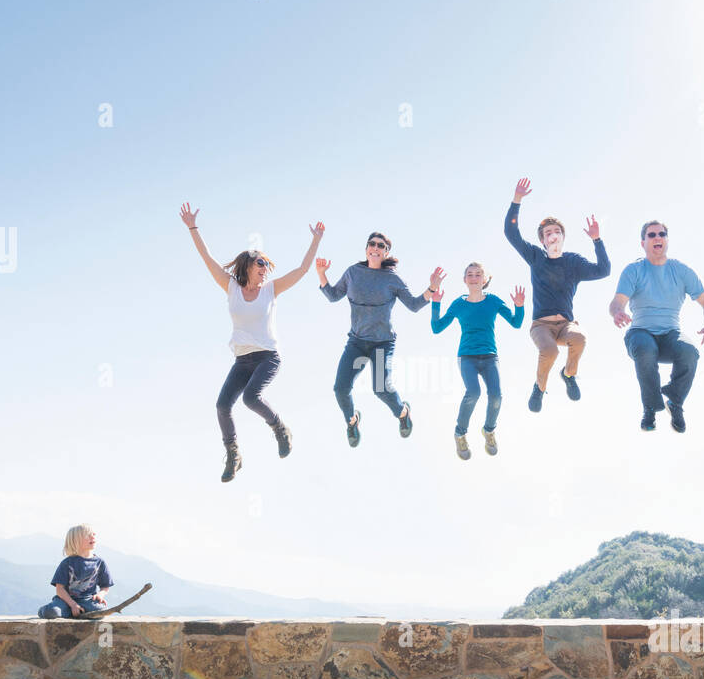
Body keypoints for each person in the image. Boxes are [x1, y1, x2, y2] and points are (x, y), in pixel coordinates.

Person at [180, 203, 324, 481]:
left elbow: (303, 269)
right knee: (222, 405)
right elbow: (207, 258)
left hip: (267, 357)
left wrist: (315, 240)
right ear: (247, 266)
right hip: (242, 360)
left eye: (266, 266)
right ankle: (234, 455)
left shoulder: (271, 290)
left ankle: (280, 429)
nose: (265, 269)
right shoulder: (231, 287)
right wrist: (192, 228)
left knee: (251, 397)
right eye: (260, 264)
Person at [317, 234, 443, 445]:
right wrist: (321, 274)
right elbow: (332, 296)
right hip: (356, 342)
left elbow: (413, 305)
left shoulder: (392, 279)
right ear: (366, 249)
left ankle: (403, 413)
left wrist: (431, 288)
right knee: (340, 389)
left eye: (380, 246)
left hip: (382, 343)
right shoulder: (353, 273)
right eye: (371, 244)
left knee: (381, 388)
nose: (375, 248)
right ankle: (352, 421)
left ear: (386, 253)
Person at [504, 178, 610, 411]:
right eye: (547, 233)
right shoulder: (536, 257)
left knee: (580, 338)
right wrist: (517, 200)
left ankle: (569, 375)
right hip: (541, 326)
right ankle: (539, 388)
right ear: (542, 240)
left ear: (562, 236)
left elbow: (604, 270)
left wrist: (597, 240)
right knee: (549, 351)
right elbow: (510, 232)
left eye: (556, 231)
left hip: (565, 325)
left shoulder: (573, 262)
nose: (552, 235)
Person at [610, 221, 704, 432]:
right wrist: (618, 312)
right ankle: (650, 408)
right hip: (640, 332)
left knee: (690, 352)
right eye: (652, 235)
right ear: (643, 242)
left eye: (662, 234)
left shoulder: (681, 270)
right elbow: (617, 302)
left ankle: (675, 402)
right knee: (645, 349)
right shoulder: (634, 270)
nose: (657, 237)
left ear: (667, 240)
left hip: (670, 334)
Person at [429, 262, 525, 458]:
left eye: (478, 275)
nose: (474, 278)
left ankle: (489, 430)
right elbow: (436, 328)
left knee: (496, 395)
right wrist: (436, 304)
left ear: (485, 279)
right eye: (470, 275)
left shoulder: (494, 301)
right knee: (473, 392)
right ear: (465, 280)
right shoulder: (458, 304)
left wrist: (519, 307)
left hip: (490, 357)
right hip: (467, 358)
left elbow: (516, 323)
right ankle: (460, 433)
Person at [38, 525, 111, 619]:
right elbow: (60, 589)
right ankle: (45, 610)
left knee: (102, 612)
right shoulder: (67, 563)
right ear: (76, 541)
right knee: (52, 612)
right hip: (65, 600)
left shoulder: (99, 562)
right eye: (88, 535)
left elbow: (105, 586)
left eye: (93, 534)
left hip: (87, 600)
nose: (93, 536)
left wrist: (100, 595)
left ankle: (72, 613)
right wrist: (72, 605)